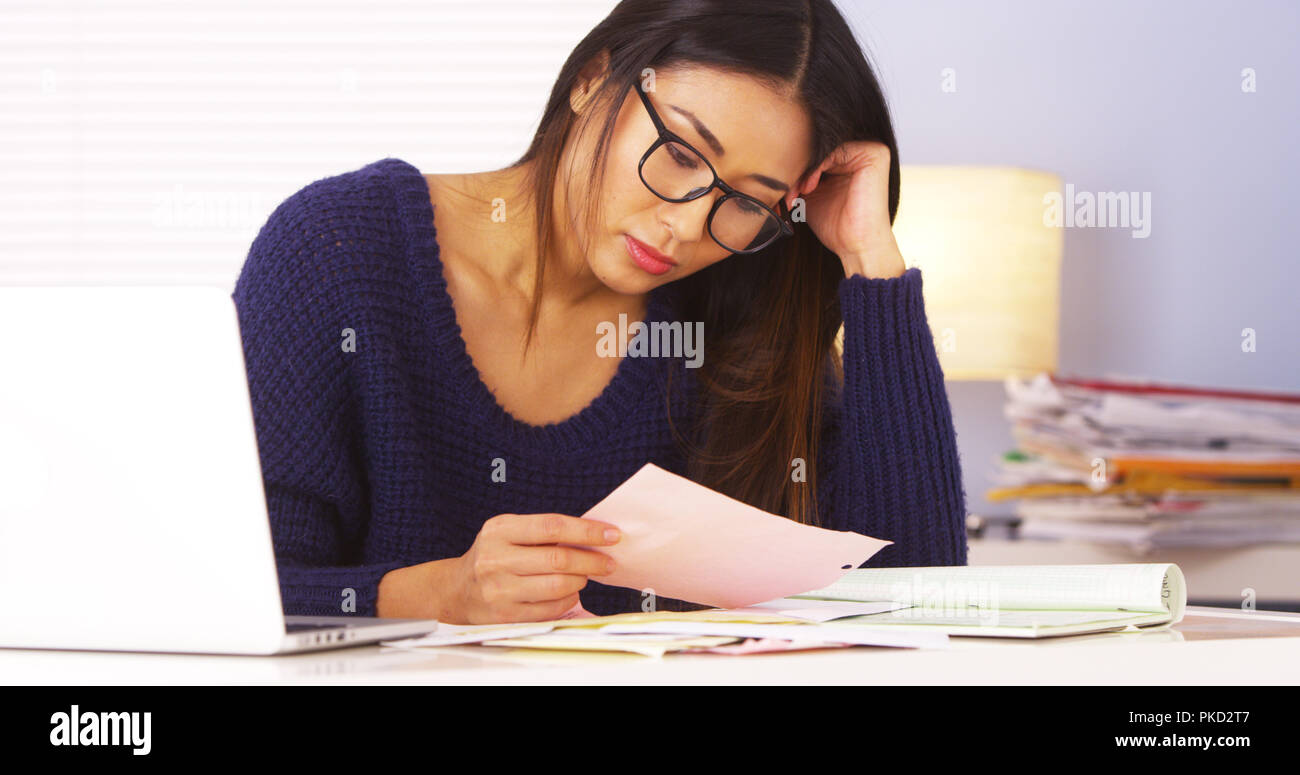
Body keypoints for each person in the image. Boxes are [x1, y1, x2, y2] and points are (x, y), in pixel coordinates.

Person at [232, 0, 967, 625]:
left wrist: (871, 257)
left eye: (745, 202)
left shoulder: (730, 331)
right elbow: (225, 598)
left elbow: (919, 606)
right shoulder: (338, 252)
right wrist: (440, 594)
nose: (686, 223)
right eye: (680, 154)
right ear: (593, 79)